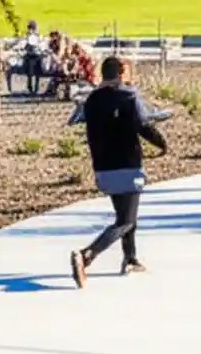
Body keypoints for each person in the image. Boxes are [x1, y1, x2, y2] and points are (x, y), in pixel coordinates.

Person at [70, 56, 168, 288]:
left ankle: (130, 258)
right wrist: (162, 143)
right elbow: (143, 125)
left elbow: (78, 121)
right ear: (121, 74)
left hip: (103, 166)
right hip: (127, 163)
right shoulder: (128, 96)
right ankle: (86, 255)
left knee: (125, 213)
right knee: (126, 220)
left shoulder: (92, 100)